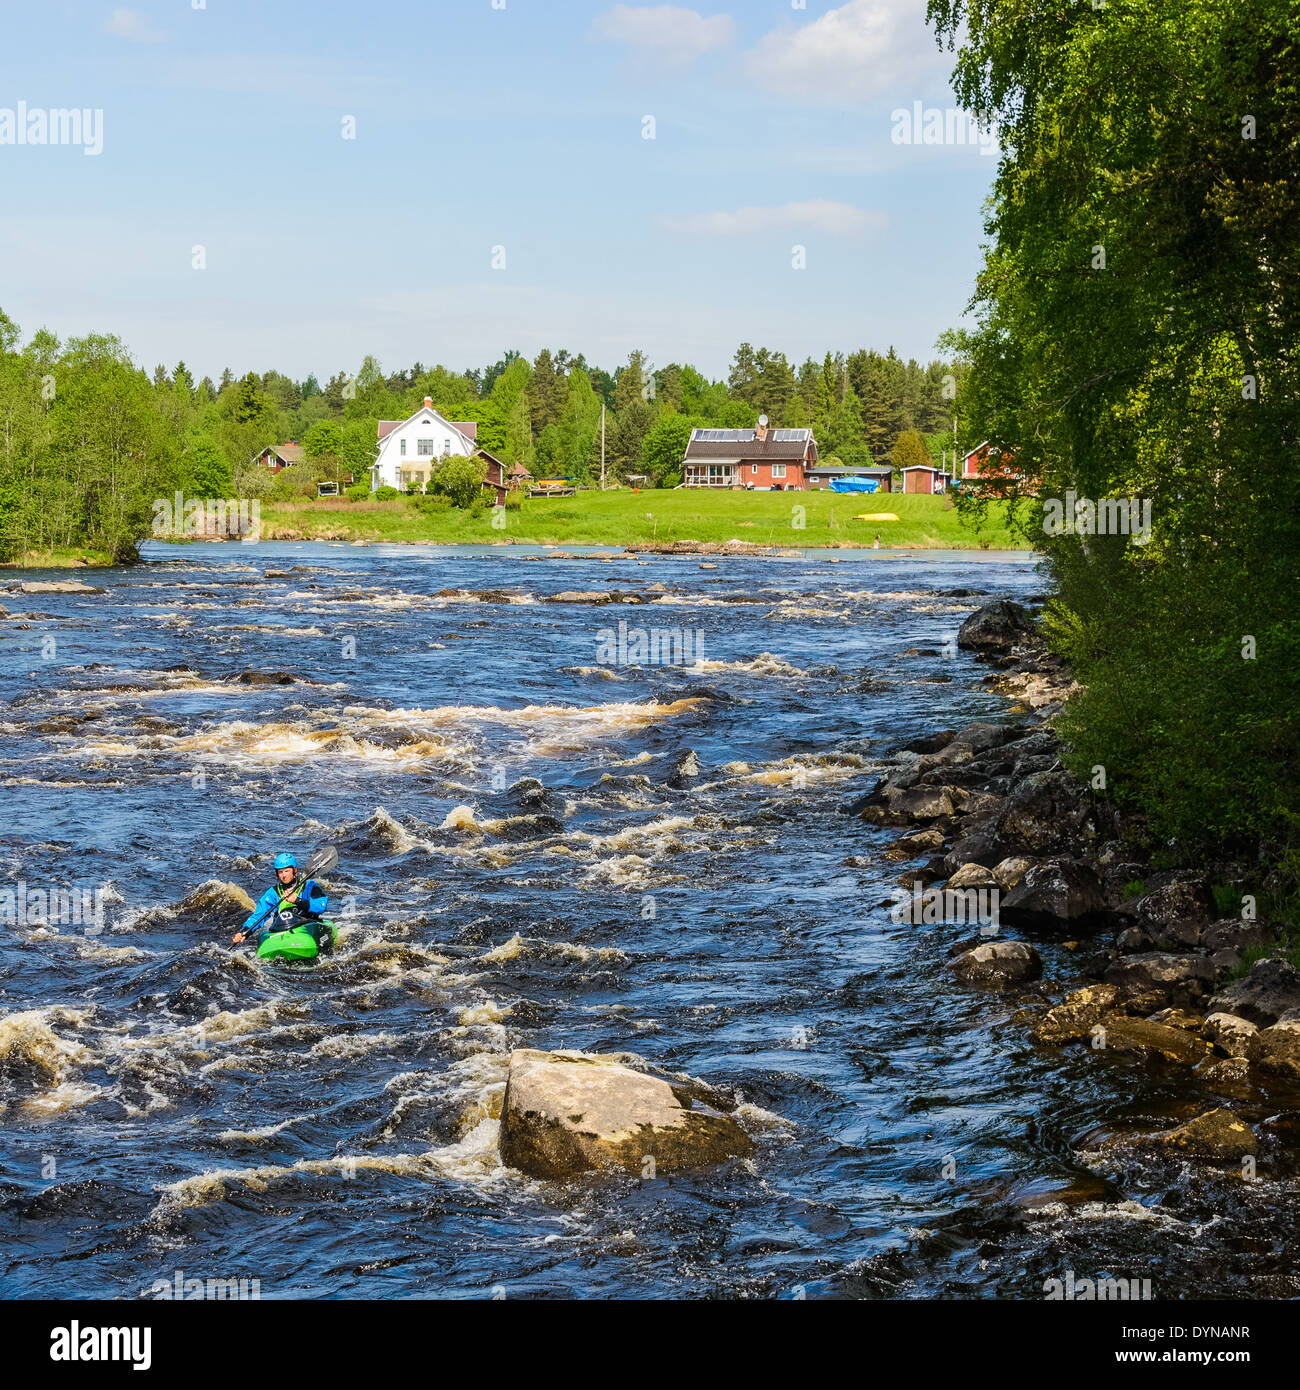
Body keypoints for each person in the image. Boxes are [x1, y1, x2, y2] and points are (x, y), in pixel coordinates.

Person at [233, 852, 329, 948]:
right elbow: (259, 915)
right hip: (285, 928)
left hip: (307, 926)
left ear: (294, 870)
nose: (283, 875)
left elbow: (321, 906)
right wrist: (245, 932)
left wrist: (298, 901)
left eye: (286, 871)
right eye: (280, 872)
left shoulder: (309, 885)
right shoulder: (273, 892)